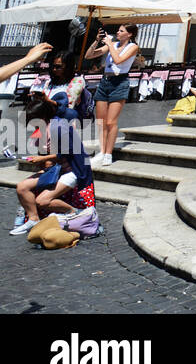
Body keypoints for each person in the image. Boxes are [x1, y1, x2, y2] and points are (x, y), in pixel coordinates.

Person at [11, 89, 94, 235]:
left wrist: (43, 159)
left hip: (73, 170)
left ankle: (75, 212)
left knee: (42, 201)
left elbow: (68, 151)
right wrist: (40, 162)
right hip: (57, 169)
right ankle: (33, 219)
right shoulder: (41, 129)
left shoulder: (60, 126)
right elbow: (45, 155)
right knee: (22, 187)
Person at [84, 23, 139, 167]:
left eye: (121, 31)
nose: (118, 33)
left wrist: (109, 44)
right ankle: (101, 151)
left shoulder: (132, 47)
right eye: (118, 30)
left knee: (111, 122)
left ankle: (108, 153)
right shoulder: (112, 44)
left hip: (119, 82)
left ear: (130, 34)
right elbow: (89, 55)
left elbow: (119, 60)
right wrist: (96, 41)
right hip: (105, 81)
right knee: (101, 121)